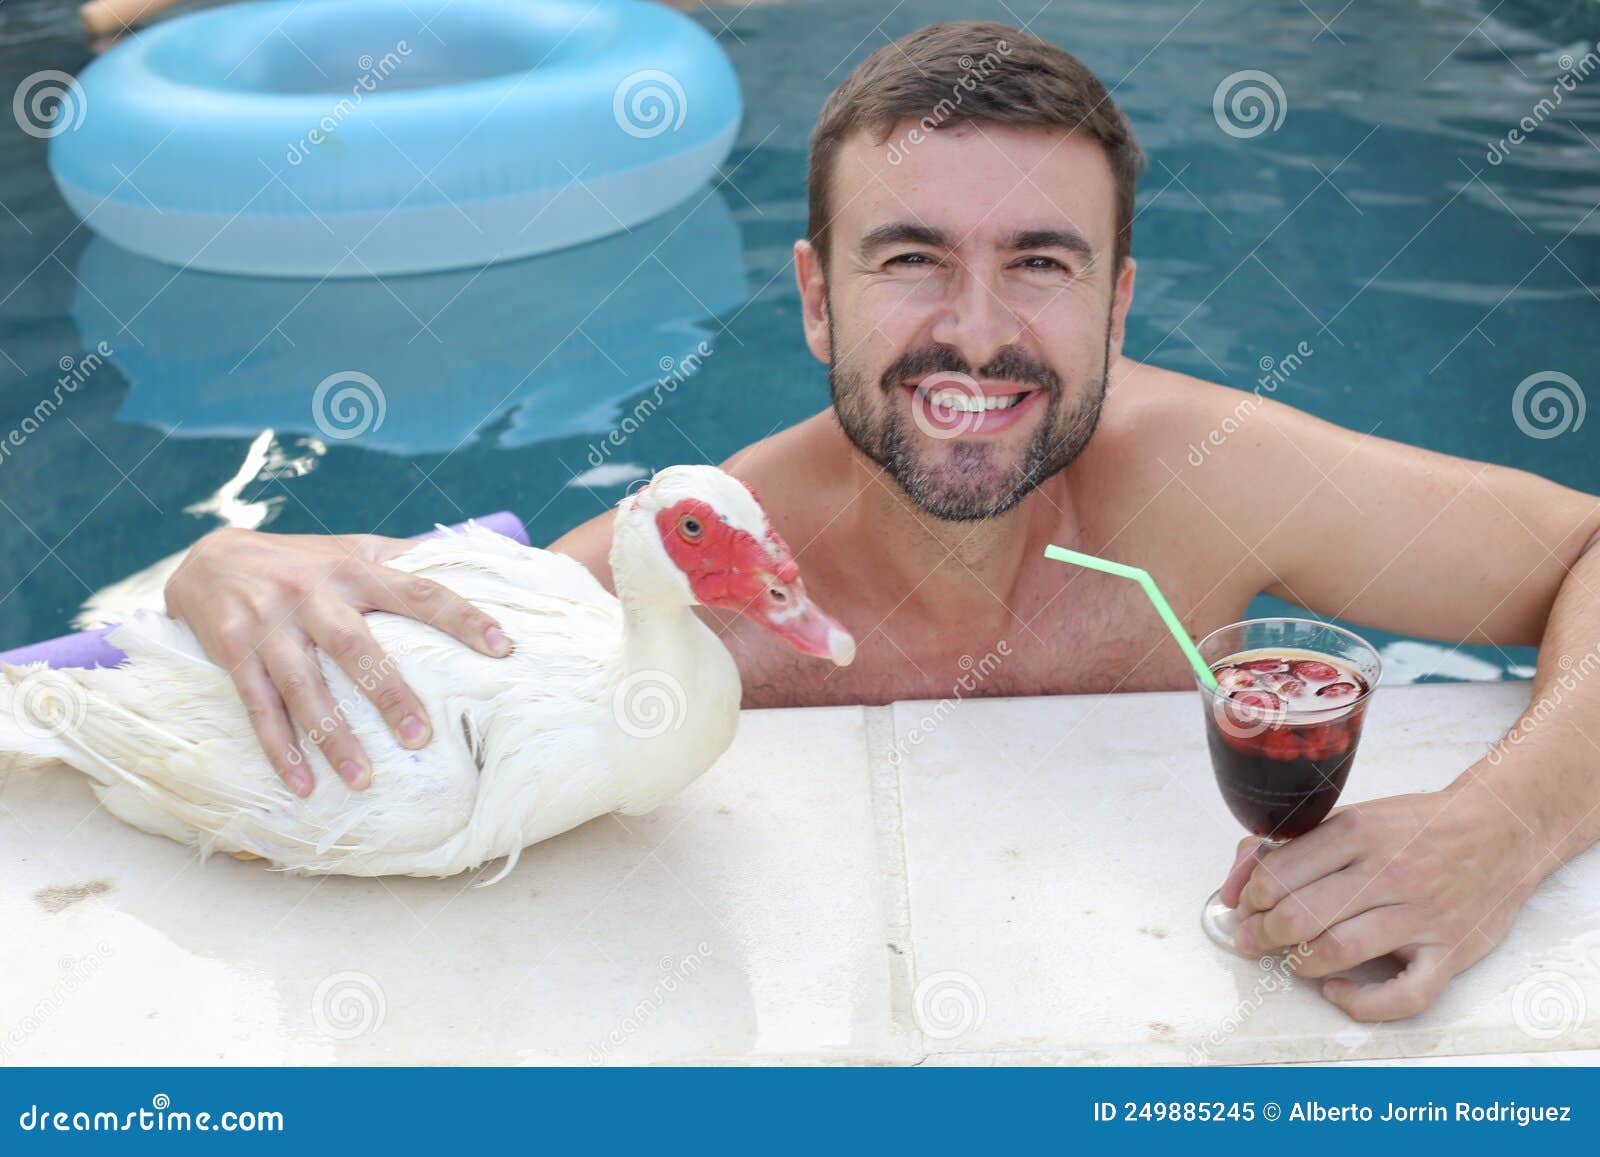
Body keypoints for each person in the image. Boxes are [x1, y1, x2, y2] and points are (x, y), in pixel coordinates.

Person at [164, 23, 1600, 1023]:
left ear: (1116, 305)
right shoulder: (688, 576)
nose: (976, 338)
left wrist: (1500, 830)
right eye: (913, 259)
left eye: (1038, 263)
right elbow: (409, 661)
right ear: (813, 298)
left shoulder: (1212, 479)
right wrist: (213, 575)